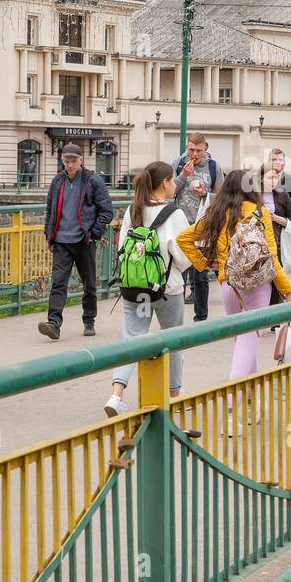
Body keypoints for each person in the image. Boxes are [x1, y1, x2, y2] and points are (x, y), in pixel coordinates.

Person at [177, 170, 291, 384]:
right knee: (248, 341)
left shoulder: (217, 211)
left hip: (229, 284)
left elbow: (184, 238)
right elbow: (271, 256)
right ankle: (233, 403)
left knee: (243, 343)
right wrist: (288, 290)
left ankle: (250, 399)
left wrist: (204, 263)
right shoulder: (260, 213)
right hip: (258, 284)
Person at [105, 161, 192, 417]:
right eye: (173, 180)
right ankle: (174, 394)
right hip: (167, 289)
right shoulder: (174, 214)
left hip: (134, 288)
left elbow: (122, 249)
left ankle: (116, 395)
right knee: (174, 341)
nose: (175, 184)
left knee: (131, 340)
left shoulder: (133, 210)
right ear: (164, 183)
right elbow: (184, 258)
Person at [38, 143, 115, 340]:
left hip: (84, 240)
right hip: (61, 241)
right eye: (66, 161)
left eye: (73, 161)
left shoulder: (93, 181)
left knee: (89, 284)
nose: (70, 165)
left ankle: (89, 320)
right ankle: (54, 324)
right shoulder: (57, 182)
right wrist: (49, 236)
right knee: (58, 283)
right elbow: (50, 211)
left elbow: (107, 210)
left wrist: (94, 233)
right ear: (62, 161)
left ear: (81, 160)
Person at [174, 133, 223, 321]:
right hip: (181, 223)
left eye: (198, 150)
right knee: (179, 274)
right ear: (187, 147)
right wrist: (183, 176)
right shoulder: (178, 164)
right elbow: (170, 191)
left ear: (206, 149)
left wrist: (205, 194)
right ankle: (176, 318)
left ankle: (201, 317)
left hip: (203, 225)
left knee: (200, 274)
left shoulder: (213, 167)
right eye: (191, 149)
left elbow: (221, 197)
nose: (194, 154)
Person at [261, 155, 291, 309]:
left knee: (276, 279)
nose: (273, 181)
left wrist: (275, 218)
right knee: (260, 281)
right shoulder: (252, 196)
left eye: (276, 177)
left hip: (277, 242)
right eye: (270, 177)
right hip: (257, 243)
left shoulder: (282, 195)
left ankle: (275, 315)